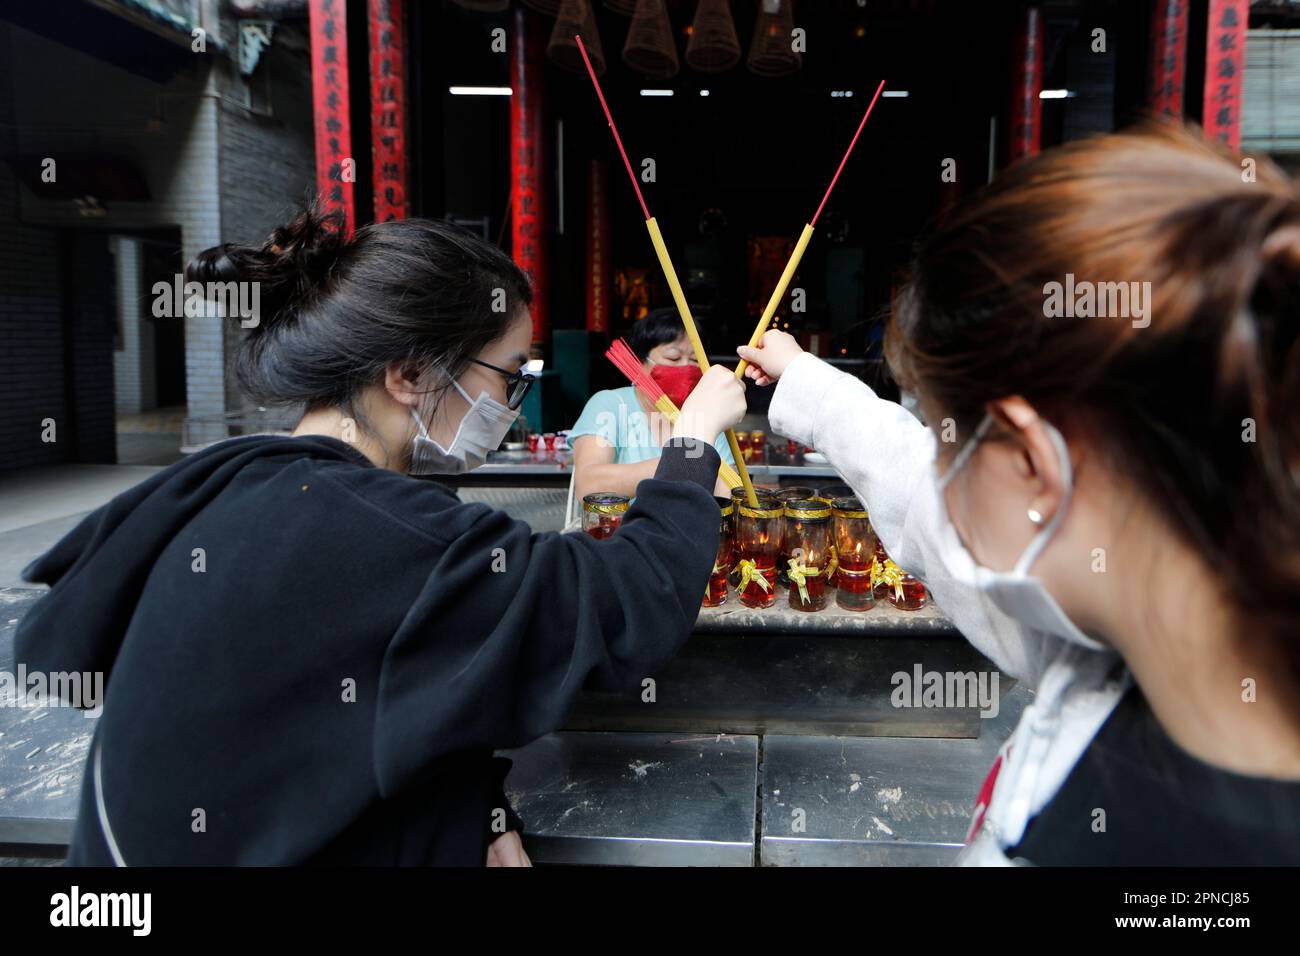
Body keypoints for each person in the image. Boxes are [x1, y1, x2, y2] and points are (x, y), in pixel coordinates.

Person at [15, 208, 747, 866]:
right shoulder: (387, 532)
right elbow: (627, 600)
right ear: (410, 374)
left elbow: (366, 702)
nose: (510, 405)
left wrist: (467, 796)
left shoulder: (220, 483)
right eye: (507, 377)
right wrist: (691, 446)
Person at [738, 123, 1300, 865]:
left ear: (1034, 464)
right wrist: (813, 387)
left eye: (945, 439)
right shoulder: (1128, 635)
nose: (939, 472)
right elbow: (923, 496)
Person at [570, 308, 736, 502]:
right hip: (622, 522)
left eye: (694, 359)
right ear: (640, 362)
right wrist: (680, 464)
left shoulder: (706, 415)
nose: (686, 367)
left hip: (687, 522)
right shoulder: (610, 405)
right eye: (673, 358)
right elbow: (589, 486)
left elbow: (728, 490)